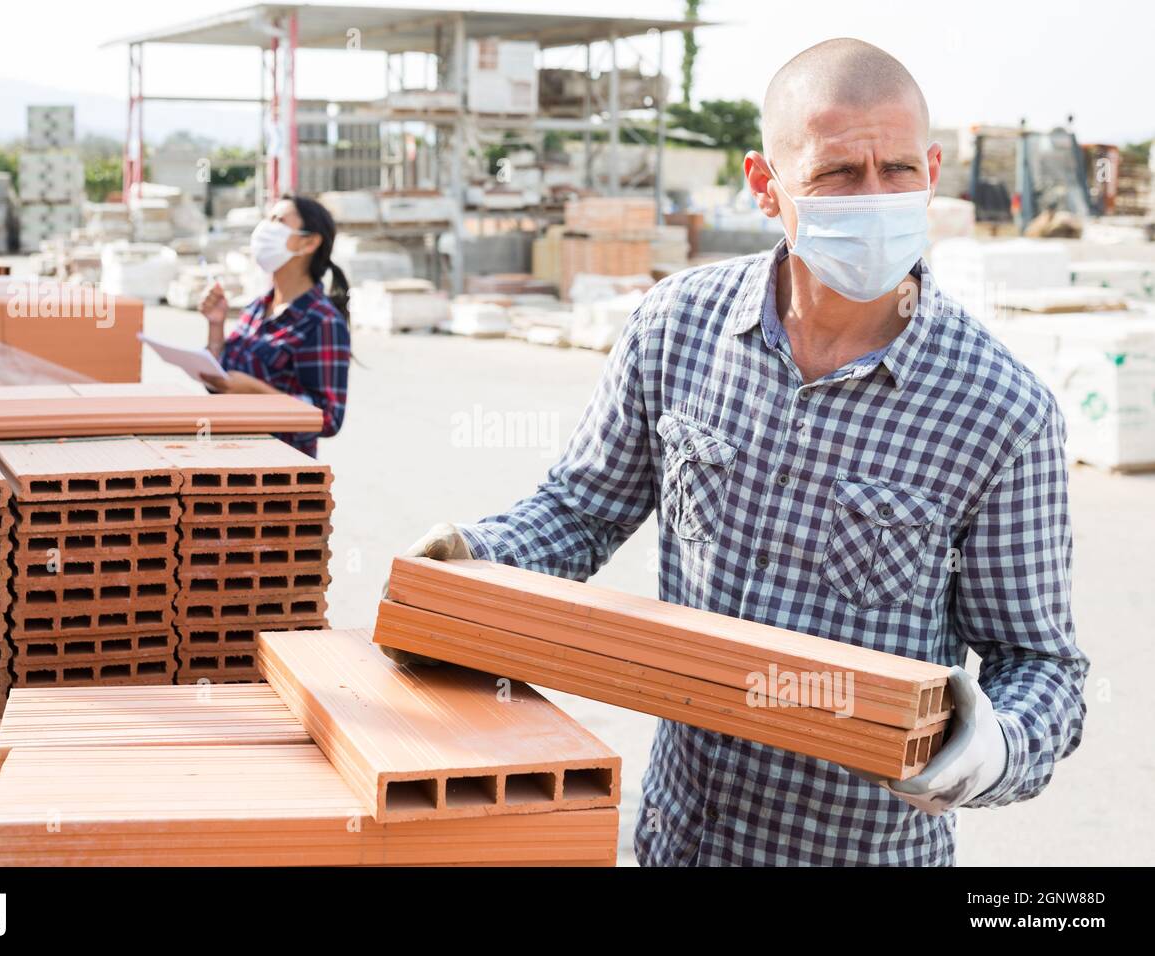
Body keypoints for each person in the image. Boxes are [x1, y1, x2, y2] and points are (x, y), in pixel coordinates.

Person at [392, 38, 1088, 865]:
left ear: (933, 168)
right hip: (680, 837)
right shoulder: (676, 327)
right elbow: (580, 513)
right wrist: (474, 561)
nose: (875, 198)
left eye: (898, 169)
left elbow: (1039, 664)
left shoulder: (1000, 411)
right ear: (766, 186)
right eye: (838, 176)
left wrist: (992, 747)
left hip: (859, 855)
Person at [199, 193, 351, 458]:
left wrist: (257, 394)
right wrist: (215, 326)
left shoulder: (322, 321)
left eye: (279, 221)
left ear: (310, 242)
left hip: (278, 472)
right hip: (231, 459)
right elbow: (222, 380)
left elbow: (328, 419)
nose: (265, 229)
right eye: (267, 219)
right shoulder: (257, 307)